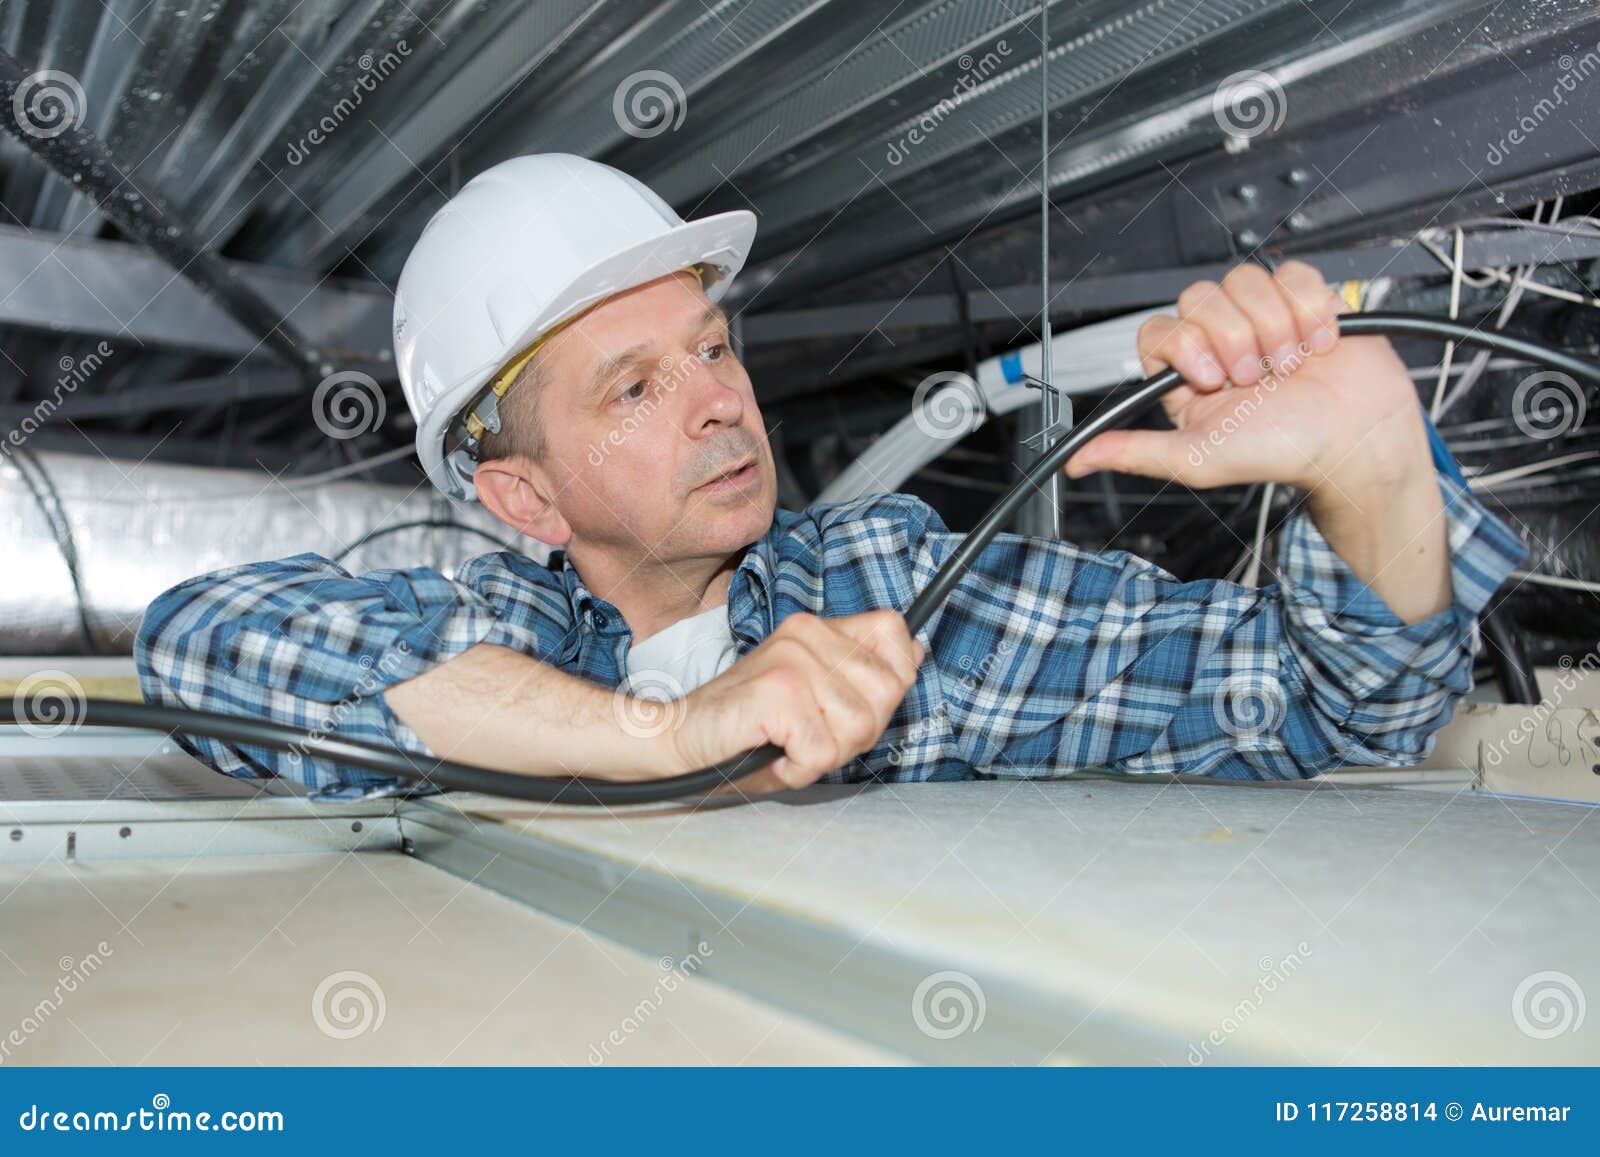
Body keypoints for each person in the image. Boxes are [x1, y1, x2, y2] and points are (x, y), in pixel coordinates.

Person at [134, 154, 1526, 801]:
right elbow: (199, 647)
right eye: (635, 386)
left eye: (711, 346)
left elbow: (1343, 712)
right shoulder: (479, 617)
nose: (723, 400)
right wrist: (670, 738)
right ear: (526, 501)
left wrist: (1371, 474)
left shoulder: (901, 598)